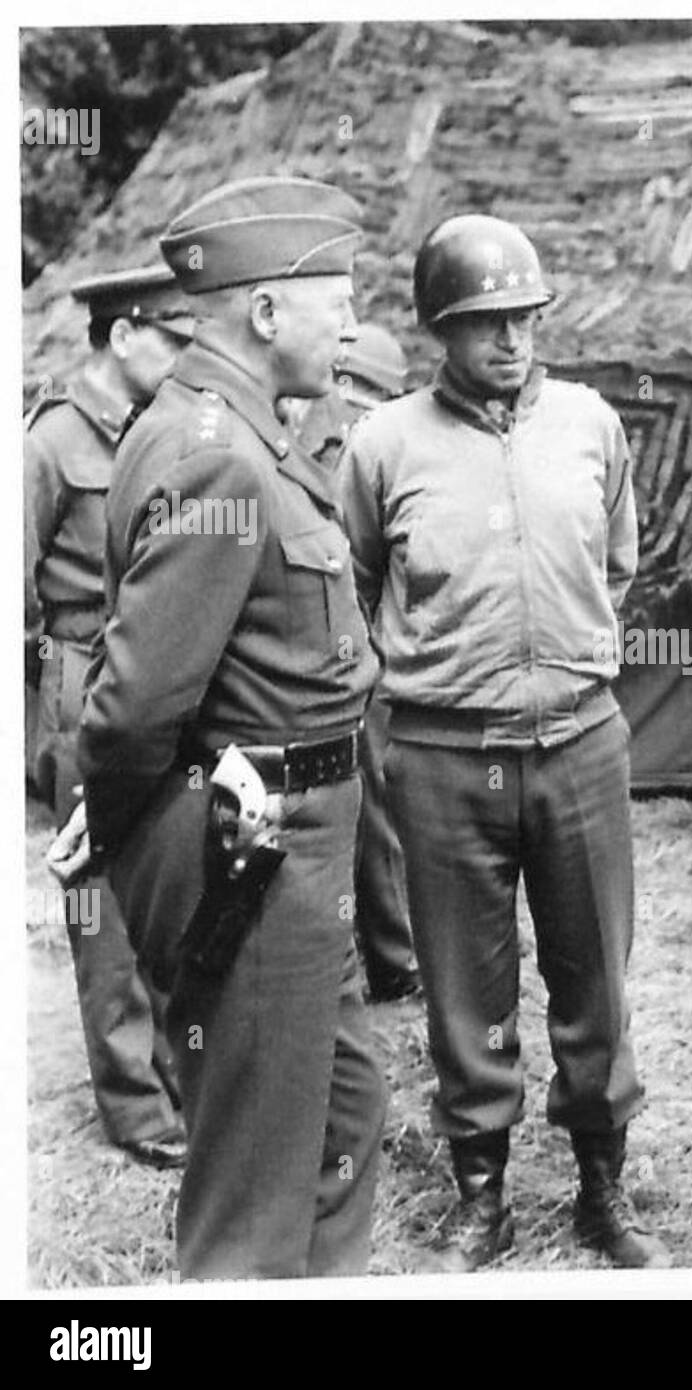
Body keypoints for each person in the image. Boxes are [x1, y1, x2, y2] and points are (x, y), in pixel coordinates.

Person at [51, 176, 388, 1280]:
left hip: (301, 846)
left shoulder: (238, 430)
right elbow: (143, 700)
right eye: (336, 297)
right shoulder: (219, 455)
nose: (351, 321)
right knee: (254, 1176)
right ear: (266, 311)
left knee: (340, 1110)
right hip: (254, 848)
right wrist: (113, 818)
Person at [339, 214, 667, 1271]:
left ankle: (600, 1187)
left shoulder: (588, 424)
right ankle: (482, 1194)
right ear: (441, 327)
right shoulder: (384, 444)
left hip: (580, 740)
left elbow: (618, 562)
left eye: (526, 318)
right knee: (463, 983)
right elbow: (354, 589)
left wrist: (562, 659)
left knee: (595, 978)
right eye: (486, 323)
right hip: (441, 755)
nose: (512, 340)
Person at [25, 264, 194, 1169]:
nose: (182, 358)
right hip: (82, 678)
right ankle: (135, 1107)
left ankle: (178, 1071)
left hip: (152, 676)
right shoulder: (49, 443)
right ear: (122, 336)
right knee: (102, 904)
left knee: (165, 883)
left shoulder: (154, 434)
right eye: (170, 339)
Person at [286, 324, 420, 1004]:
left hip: (362, 648)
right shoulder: (310, 442)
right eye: (357, 390)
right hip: (334, 649)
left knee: (376, 804)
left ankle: (390, 953)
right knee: (363, 806)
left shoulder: (354, 443)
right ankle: (387, 956)